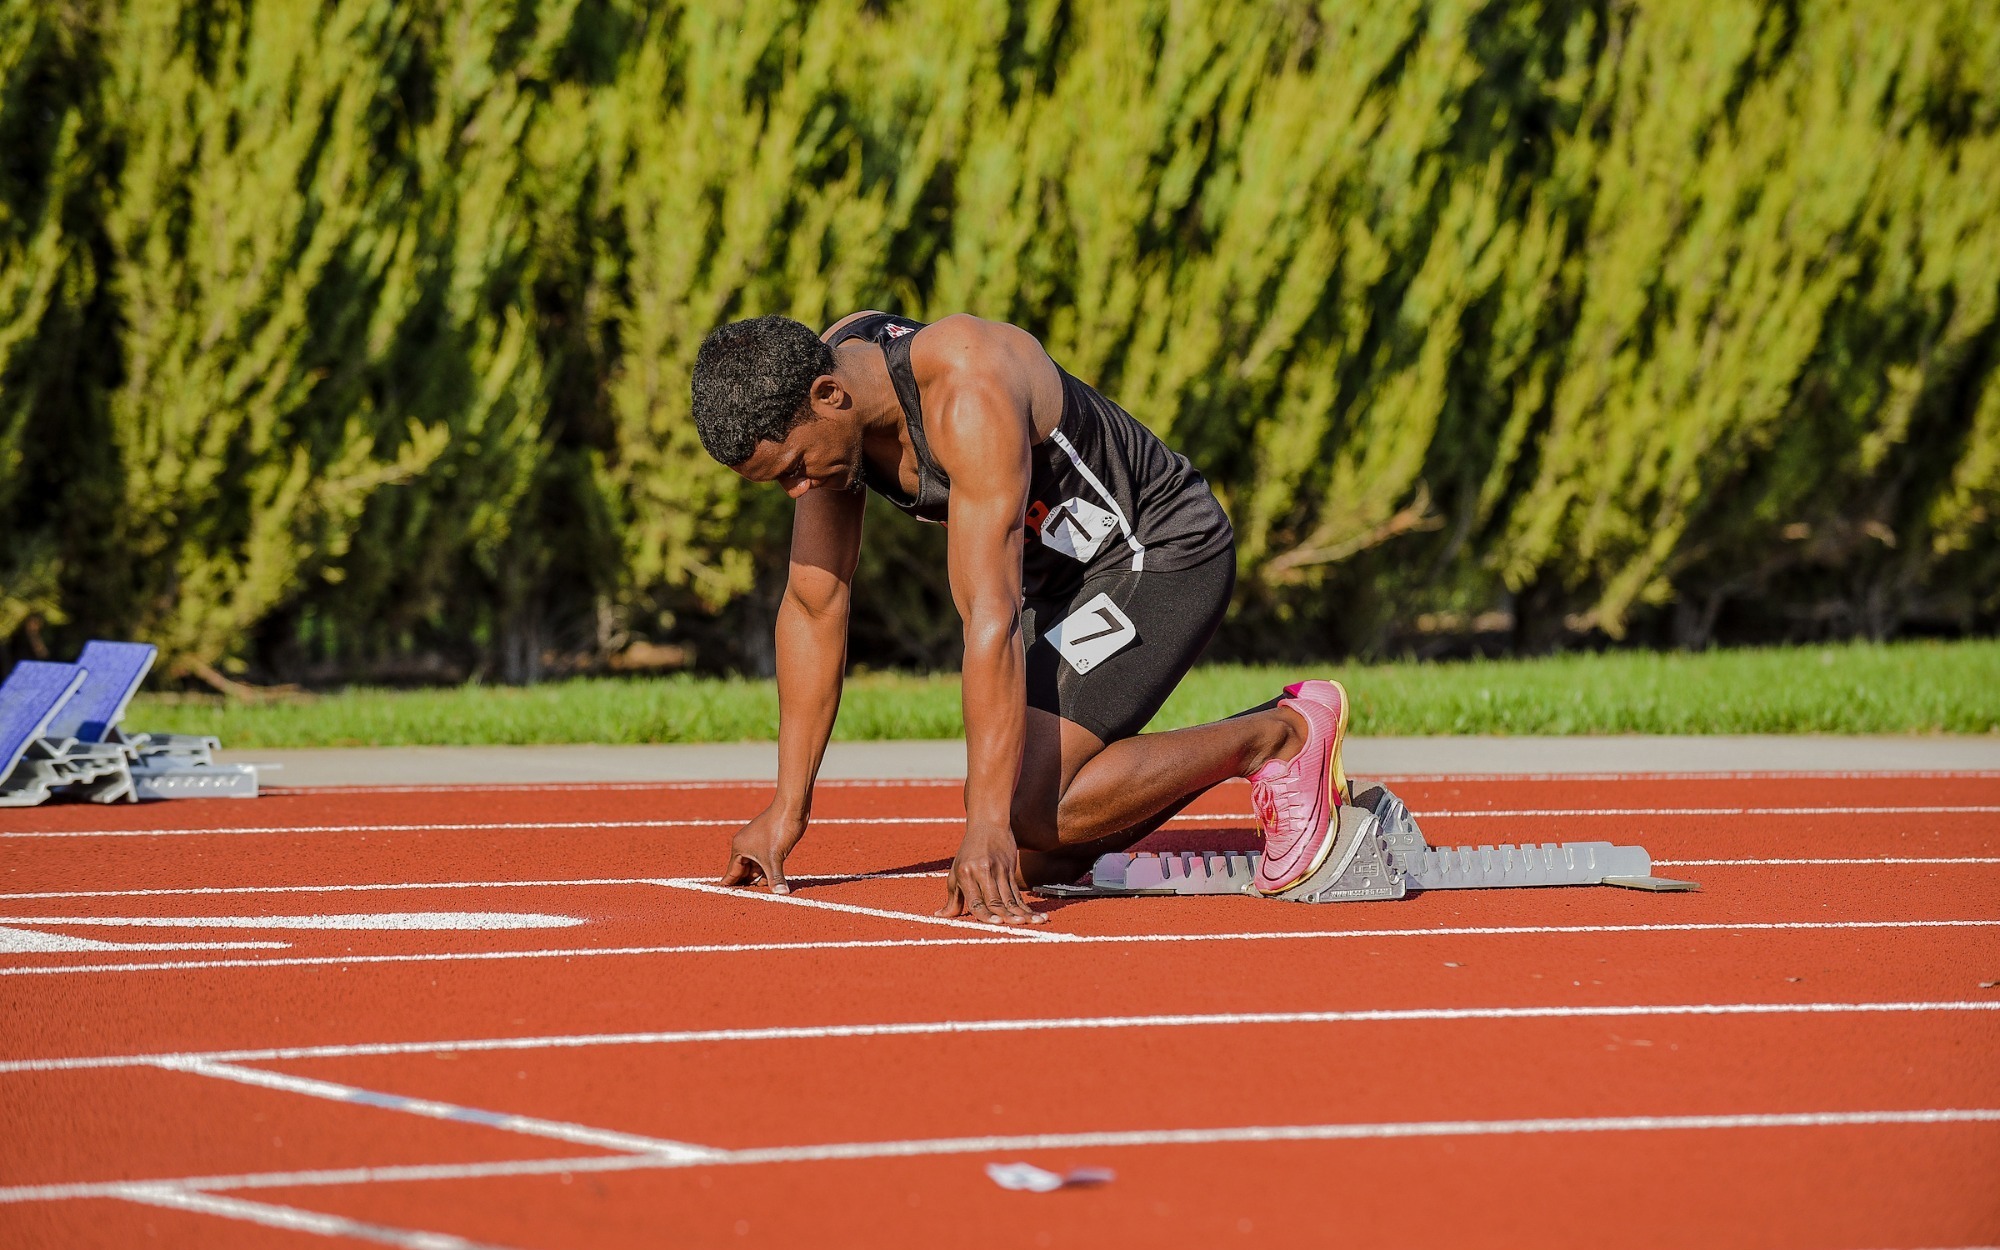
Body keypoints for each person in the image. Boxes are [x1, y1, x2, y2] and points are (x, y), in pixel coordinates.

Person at [691, 311, 1351, 924]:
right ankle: (1233, 742)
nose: (798, 491)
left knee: (1020, 808)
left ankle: (1281, 736)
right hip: (1058, 583)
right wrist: (786, 809)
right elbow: (814, 603)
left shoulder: (966, 395)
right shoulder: (829, 396)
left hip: (1160, 552)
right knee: (1044, 853)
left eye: (796, 469)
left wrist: (987, 821)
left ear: (829, 395)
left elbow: (990, 618)